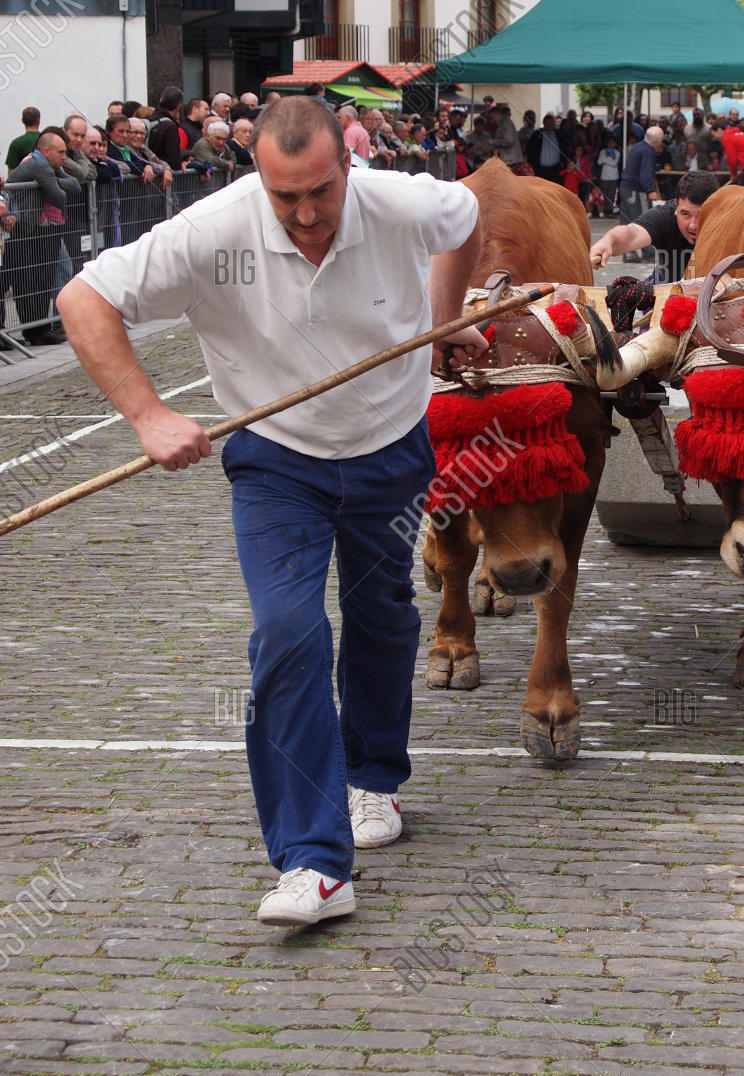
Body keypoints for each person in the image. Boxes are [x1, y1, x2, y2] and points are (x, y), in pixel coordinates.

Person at [56, 95, 486, 927]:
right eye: (285, 196)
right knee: (288, 633)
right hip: (276, 458)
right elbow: (82, 300)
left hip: (390, 442)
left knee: (382, 612)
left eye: (321, 191)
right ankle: (313, 862)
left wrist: (442, 319)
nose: (306, 214)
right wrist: (148, 415)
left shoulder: (401, 202)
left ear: (349, 166)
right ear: (257, 175)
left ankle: (374, 777)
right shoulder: (210, 230)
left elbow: (465, 218)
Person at [4, 129, 78, 342]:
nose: (64, 157)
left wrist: (53, 182)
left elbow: (75, 187)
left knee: (42, 280)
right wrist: (52, 184)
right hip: (24, 229)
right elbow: (59, 199)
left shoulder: (49, 166)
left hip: (35, 228)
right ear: (46, 151)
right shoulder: (38, 164)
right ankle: (35, 331)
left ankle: (39, 330)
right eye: (60, 152)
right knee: (29, 282)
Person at [591, 172, 719, 283]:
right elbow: (632, 234)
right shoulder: (664, 216)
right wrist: (609, 241)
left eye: (701, 215)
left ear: (718, 211)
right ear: (676, 207)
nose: (693, 225)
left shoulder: (727, 222)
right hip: (666, 286)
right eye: (685, 214)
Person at [619, 127, 663, 238]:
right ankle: (643, 246)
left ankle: (625, 245)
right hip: (635, 190)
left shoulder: (637, 146)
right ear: (658, 140)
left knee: (626, 220)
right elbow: (645, 172)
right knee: (641, 220)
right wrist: (650, 190)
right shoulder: (648, 151)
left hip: (626, 187)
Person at [7, 106, 42, 173]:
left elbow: (11, 172)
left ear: (22, 120)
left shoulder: (16, 143)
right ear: (39, 121)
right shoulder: (47, 140)